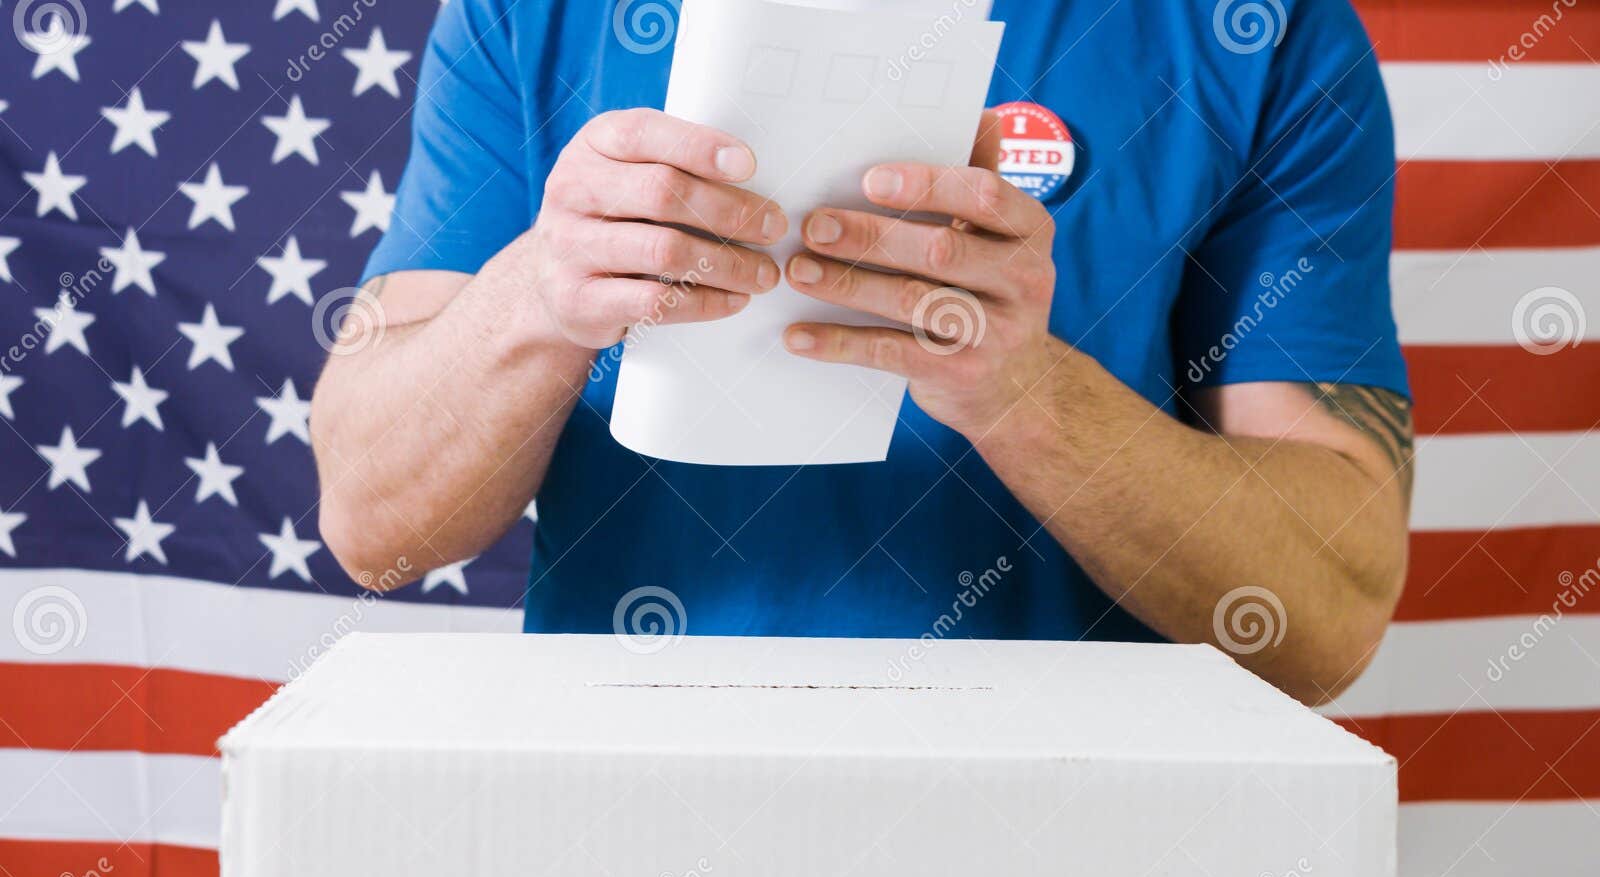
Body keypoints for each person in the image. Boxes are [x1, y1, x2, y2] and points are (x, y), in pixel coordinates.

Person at [310, 0, 1413, 705]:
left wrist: (1022, 395)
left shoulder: (1259, 30)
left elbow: (1326, 619)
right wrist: (539, 291)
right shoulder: (526, 15)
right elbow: (373, 524)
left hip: (1080, 841)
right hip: (632, 809)